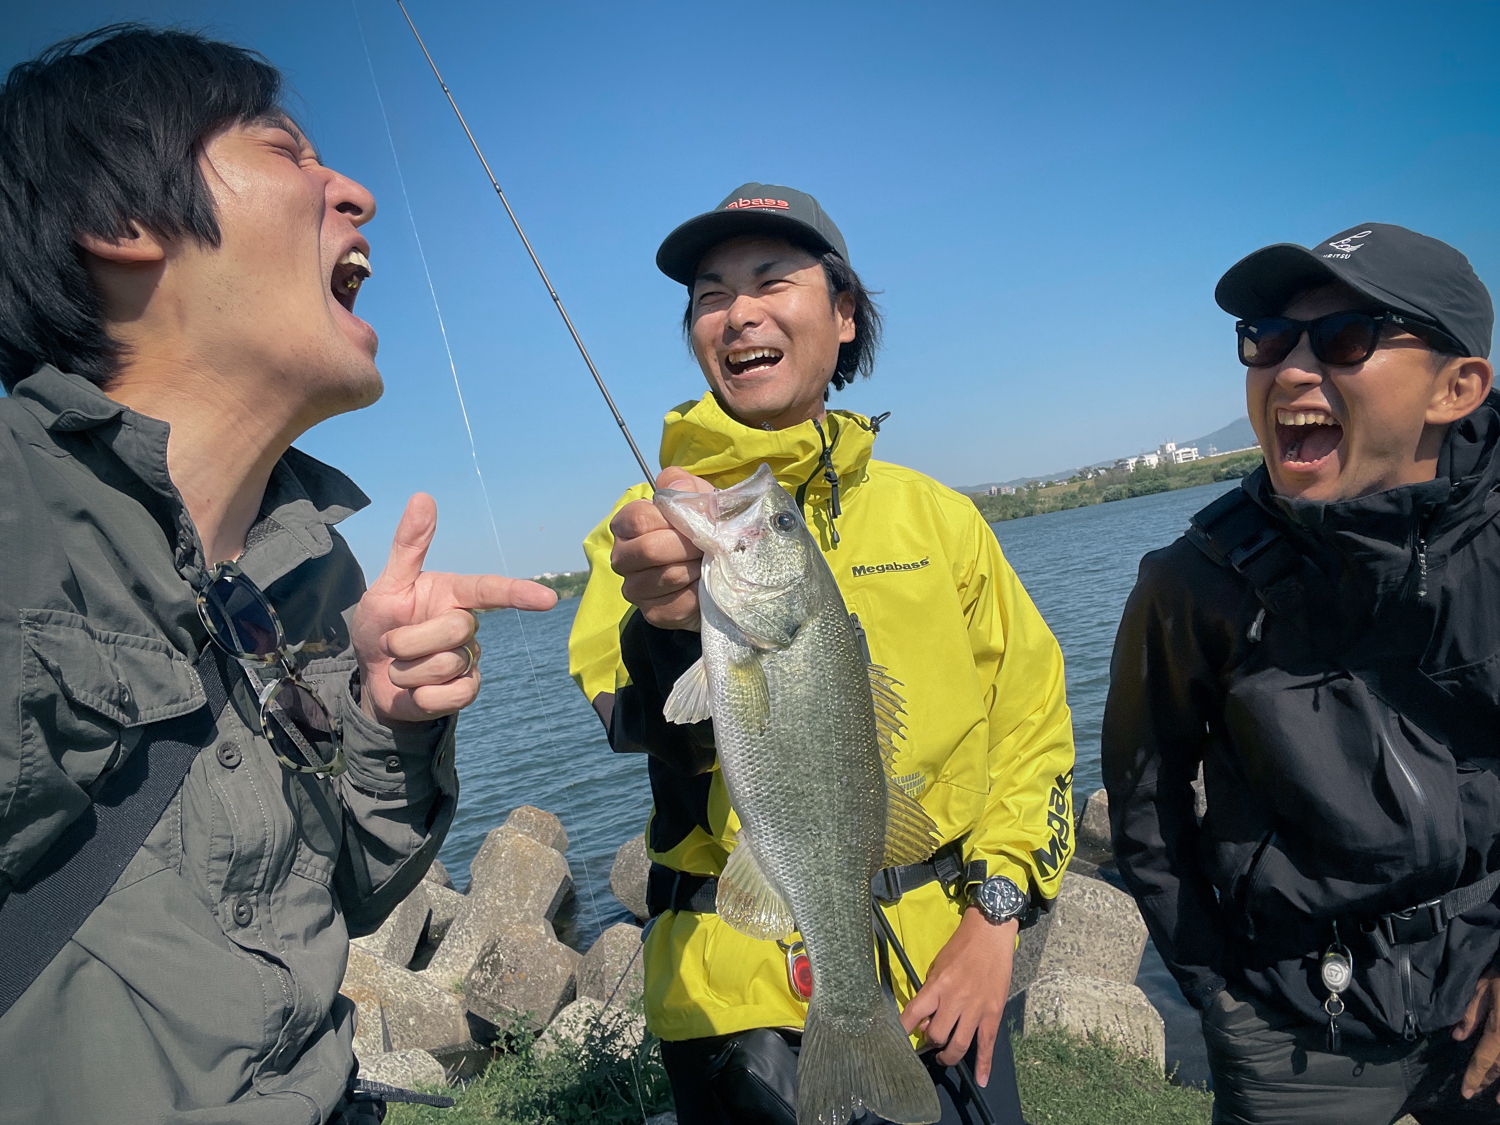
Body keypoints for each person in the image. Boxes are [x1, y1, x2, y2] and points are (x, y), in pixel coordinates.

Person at [0, 25, 556, 1123]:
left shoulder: (309, 572)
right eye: (286, 149)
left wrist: (388, 725)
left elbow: (345, 886)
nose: (356, 194)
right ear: (119, 224)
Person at [567, 183, 1076, 1124]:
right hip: (732, 1008)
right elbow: (638, 724)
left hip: (941, 979)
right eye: (710, 294)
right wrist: (668, 623)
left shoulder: (942, 519)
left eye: (771, 280)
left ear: (845, 315)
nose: (739, 312)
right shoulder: (639, 534)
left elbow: (1035, 722)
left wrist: (996, 915)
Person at [1102, 222, 1500, 1123]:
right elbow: (1144, 806)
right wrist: (1223, 998)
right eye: (1267, 337)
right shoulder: (1192, 582)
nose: (1287, 368)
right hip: (1293, 1029)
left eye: (1346, 336)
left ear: (1458, 387)